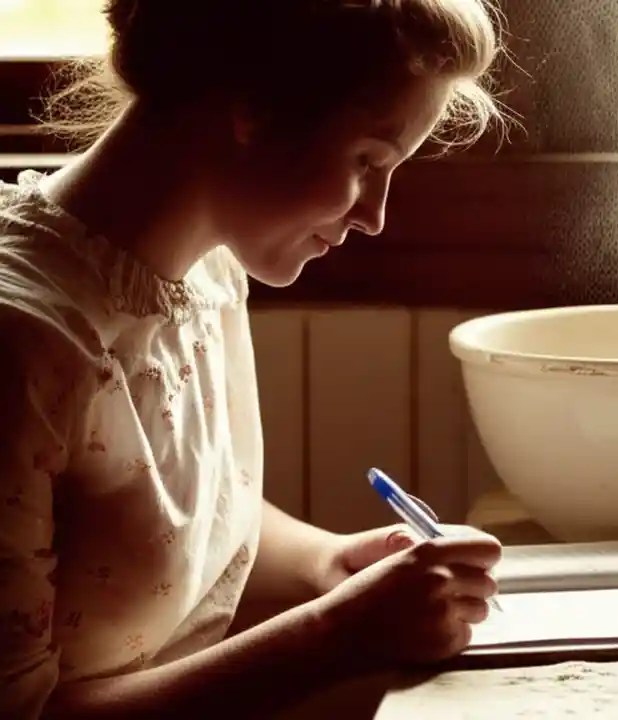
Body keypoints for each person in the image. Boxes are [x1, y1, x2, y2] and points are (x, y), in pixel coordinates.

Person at [0, 1, 512, 717]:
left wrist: (337, 565)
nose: (375, 216)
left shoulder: (207, 273)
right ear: (254, 108)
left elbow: (185, 519)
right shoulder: (21, 346)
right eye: (368, 161)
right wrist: (337, 632)